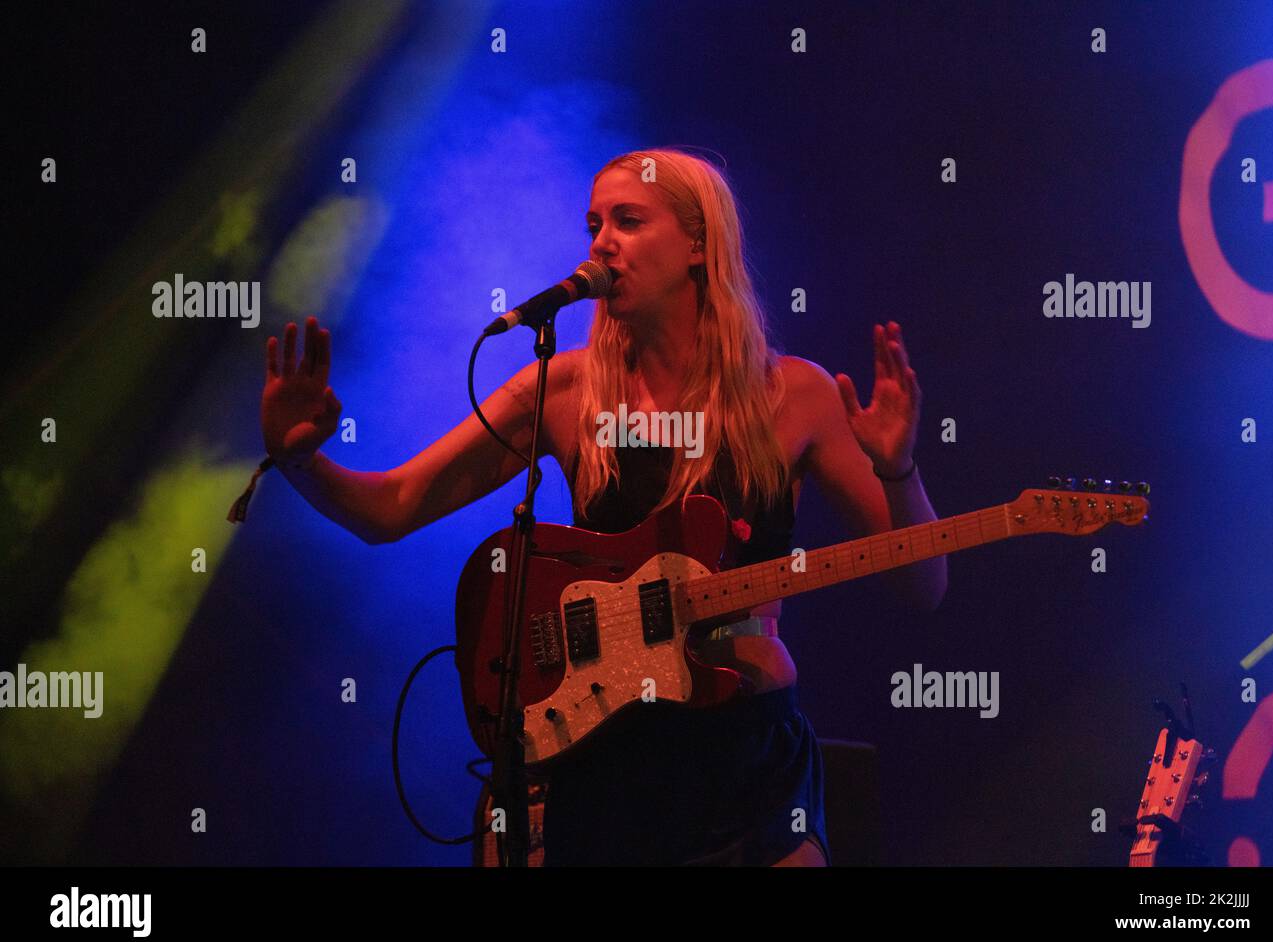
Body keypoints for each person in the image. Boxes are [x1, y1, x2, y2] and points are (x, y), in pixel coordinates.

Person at [260, 148, 947, 866]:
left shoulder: (793, 395)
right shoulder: (565, 390)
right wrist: (299, 460)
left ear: (699, 244)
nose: (601, 243)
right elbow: (392, 506)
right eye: (594, 224)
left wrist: (898, 469)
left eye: (628, 220)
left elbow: (922, 583)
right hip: (599, 754)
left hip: (748, 763)